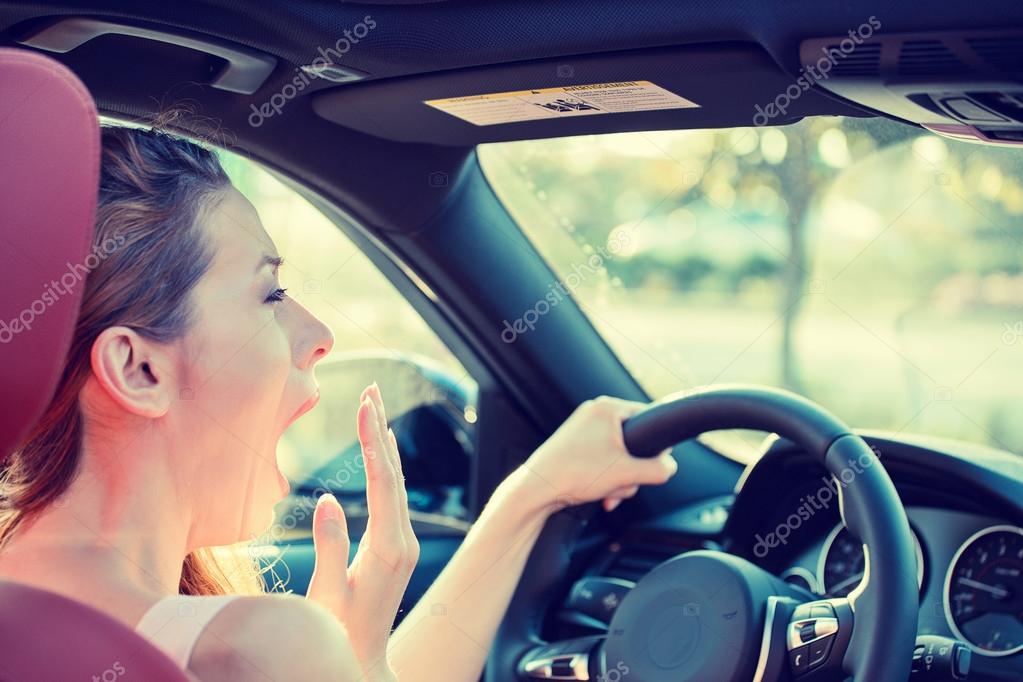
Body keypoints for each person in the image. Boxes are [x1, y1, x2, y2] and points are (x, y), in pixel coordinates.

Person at [0, 124, 679, 681]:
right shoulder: (252, 649)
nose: (320, 336)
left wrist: (529, 496)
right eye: (270, 294)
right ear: (138, 368)